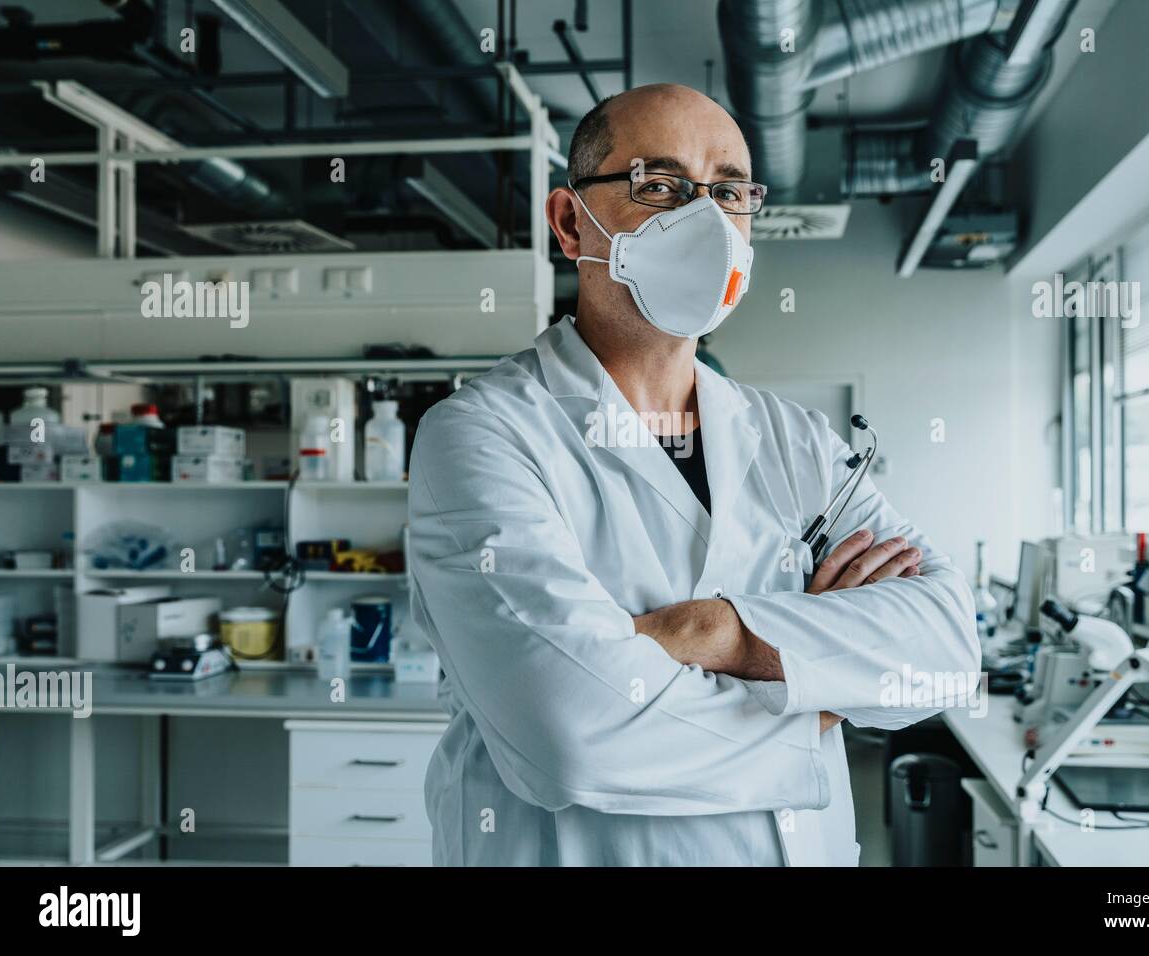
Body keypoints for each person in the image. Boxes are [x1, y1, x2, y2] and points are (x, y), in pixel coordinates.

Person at [407, 83, 979, 866]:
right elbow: (575, 736)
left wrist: (713, 630)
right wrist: (821, 694)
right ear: (573, 223)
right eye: (660, 186)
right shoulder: (482, 436)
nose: (705, 219)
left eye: (730, 192)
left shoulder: (796, 440)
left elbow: (945, 652)